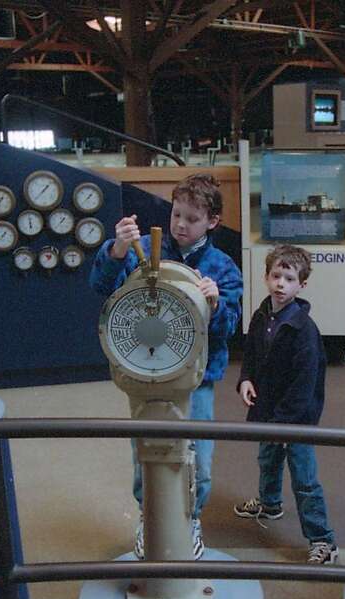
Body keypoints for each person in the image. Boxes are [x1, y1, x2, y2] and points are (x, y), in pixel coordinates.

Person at [89, 173, 243, 559]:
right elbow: (102, 285)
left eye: (192, 218)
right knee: (147, 454)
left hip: (197, 381)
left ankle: (191, 518)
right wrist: (118, 251)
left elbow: (228, 329)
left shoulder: (222, 269)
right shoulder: (142, 249)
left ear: (213, 222)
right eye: (177, 215)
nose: (180, 225)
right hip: (147, 374)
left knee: (199, 461)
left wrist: (216, 303)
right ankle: (150, 517)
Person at [233, 245, 338, 564]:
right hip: (266, 412)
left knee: (304, 478)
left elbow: (304, 385)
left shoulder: (305, 331)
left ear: (301, 285)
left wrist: (284, 423)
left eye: (289, 278)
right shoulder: (261, 315)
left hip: (296, 420)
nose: (281, 283)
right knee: (267, 459)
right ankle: (270, 503)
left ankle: (323, 539)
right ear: (266, 277)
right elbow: (250, 354)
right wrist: (246, 379)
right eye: (276, 276)